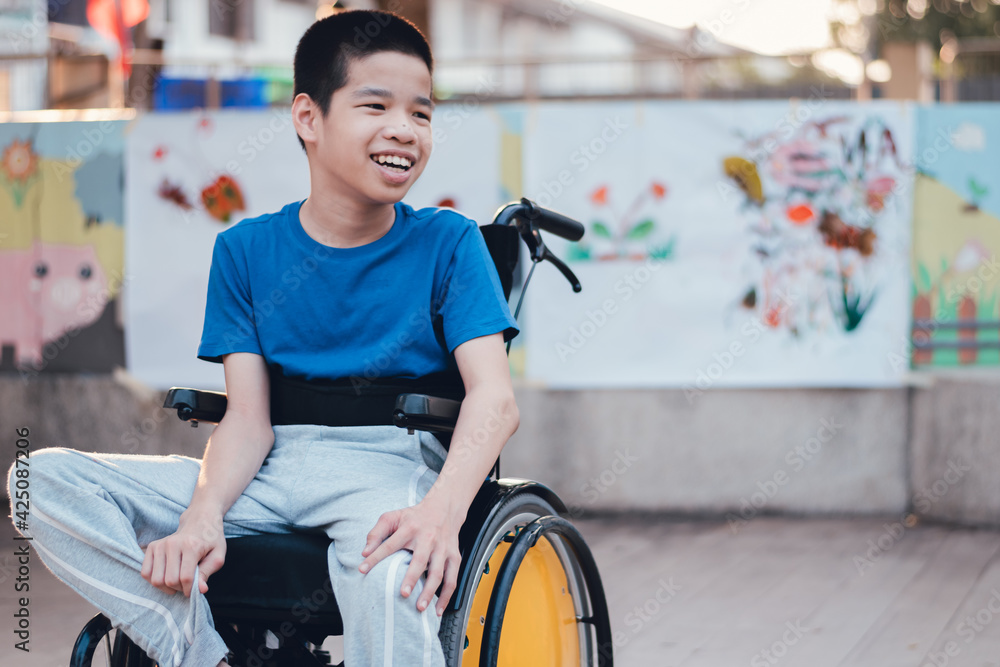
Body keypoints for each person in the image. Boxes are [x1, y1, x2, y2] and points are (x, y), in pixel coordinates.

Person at [10, 10, 519, 667]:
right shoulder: (246, 250)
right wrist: (203, 511)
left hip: (385, 468)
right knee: (37, 479)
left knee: (400, 580)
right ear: (309, 117)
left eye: (421, 114)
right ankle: (201, 653)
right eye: (375, 105)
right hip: (269, 468)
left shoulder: (449, 242)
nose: (404, 129)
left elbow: (495, 399)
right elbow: (248, 420)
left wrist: (442, 513)